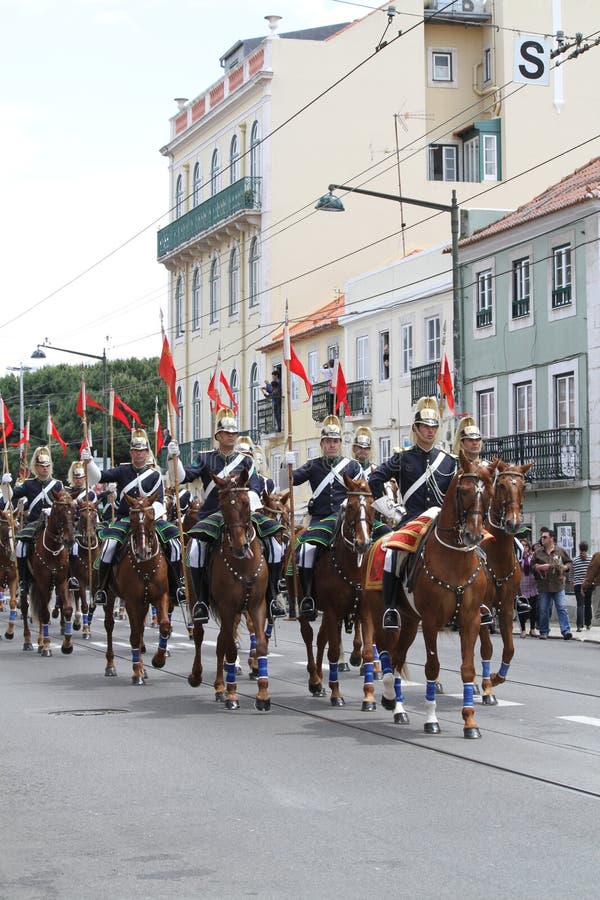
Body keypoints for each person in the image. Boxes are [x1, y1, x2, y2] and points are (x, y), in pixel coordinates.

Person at [168, 408, 285, 622]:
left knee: (276, 546)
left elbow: (257, 484)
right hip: (213, 514)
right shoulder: (205, 459)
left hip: (241, 516)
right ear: (218, 436)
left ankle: (273, 595)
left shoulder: (246, 461)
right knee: (195, 550)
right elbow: (184, 476)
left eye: (234, 433)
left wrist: (248, 498)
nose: (231, 436)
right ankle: (201, 601)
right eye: (227, 433)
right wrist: (173, 459)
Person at [369, 398, 457, 630]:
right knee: (391, 554)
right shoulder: (402, 458)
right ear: (416, 429)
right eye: (425, 427)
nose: (430, 431)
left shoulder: (448, 462)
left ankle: (472, 602)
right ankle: (390, 607)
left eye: (433, 427)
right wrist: (392, 511)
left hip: (441, 520)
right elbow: (375, 480)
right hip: (411, 519)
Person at [84, 428, 185, 610]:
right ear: (131, 453)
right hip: (126, 518)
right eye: (136, 451)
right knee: (108, 546)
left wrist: (147, 514)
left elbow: (160, 501)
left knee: (176, 544)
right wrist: (89, 462)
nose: (139, 454)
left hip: (149, 519)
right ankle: (102, 589)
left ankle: (177, 587)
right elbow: (99, 477)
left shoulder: (154, 475)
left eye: (142, 451)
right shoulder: (122, 471)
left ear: (147, 453)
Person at [1, 446, 65, 601]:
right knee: (20, 547)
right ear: (36, 467)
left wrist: (53, 510)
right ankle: (23, 580)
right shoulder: (29, 484)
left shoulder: (57, 484)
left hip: (53, 524)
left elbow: (63, 501)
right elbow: (10, 497)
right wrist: (5, 485)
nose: (45, 469)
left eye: (47, 466)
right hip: (33, 524)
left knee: (73, 546)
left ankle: (70, 578)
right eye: (42, 466)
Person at [532, 528, 573, 639]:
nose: (542, 539)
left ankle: (566, 631)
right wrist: (539, 567)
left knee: (562, 607)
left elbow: (569, 562)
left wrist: (565, 567)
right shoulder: (538, 552)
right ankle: (544, 631)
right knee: (543, 609)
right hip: (544, 585)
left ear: (551, 539)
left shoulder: (560, 551)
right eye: (542, 537)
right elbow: (531, 566)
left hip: (558, 584)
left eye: (545, 537)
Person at [64, 459, 98, 591]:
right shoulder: (67, 492)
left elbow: (95, 512)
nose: (79, 480)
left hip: (89, 524)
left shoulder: (91, 493)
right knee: (72, 547)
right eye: (77, 477)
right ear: (73, 478)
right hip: (72, 524)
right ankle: (71, 576)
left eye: (82, 477)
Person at [517, 538, 539, 637]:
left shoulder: (532, 557)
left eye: (526, 546)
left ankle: (533, 628)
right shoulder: (518, 557)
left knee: (533, 608)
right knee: (522, 609)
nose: (524, 548)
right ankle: (523, 629)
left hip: (532, 585)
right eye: (522, 545)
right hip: (522, 585)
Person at [571, 541, 593, 631]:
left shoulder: (575, 560)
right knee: (588, 604)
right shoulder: (591, 558)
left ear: (579, 548)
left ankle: (579, 626)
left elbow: (571, 573)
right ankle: (588, 624)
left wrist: (573, 580)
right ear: (587, 548)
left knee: (580, 605)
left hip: (578, 585)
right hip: (588, 584)